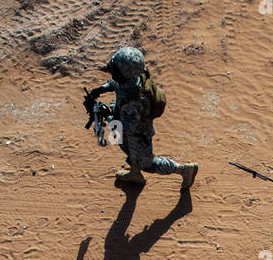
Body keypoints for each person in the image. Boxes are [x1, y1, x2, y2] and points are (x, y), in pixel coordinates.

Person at [83, 47, 197, 189]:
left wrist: (108, 116)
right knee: (122, 144)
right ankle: (135, 174)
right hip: (124, 123)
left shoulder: (134, 100)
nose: (112, 71)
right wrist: (101, 89)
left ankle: (184, 170)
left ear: (123, 73)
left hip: (138, 134)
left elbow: (130, 127)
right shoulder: (131, 77)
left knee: (148, 164)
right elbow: (115, 84)